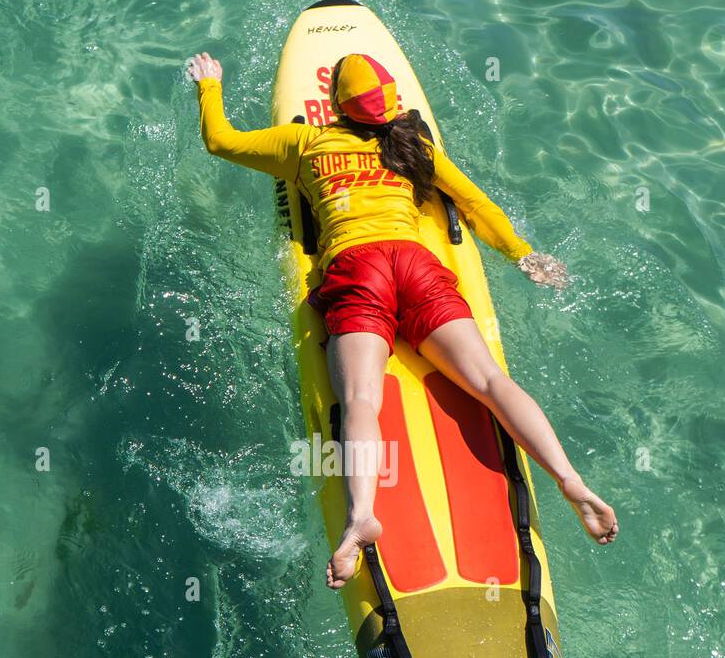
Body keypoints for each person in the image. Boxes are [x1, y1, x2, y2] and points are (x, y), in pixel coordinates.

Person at [189, 49, 618, 588]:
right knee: (489, 380)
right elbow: (477, 204)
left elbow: (220, 141)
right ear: (393, 104)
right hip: (415, 263)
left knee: (363, 401)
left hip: (358, 269)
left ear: (334, 106)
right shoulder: (416, 148)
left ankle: (361, 516)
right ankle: (571, 480)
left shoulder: (306, 143)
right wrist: (522, 254)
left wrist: (210, 85)